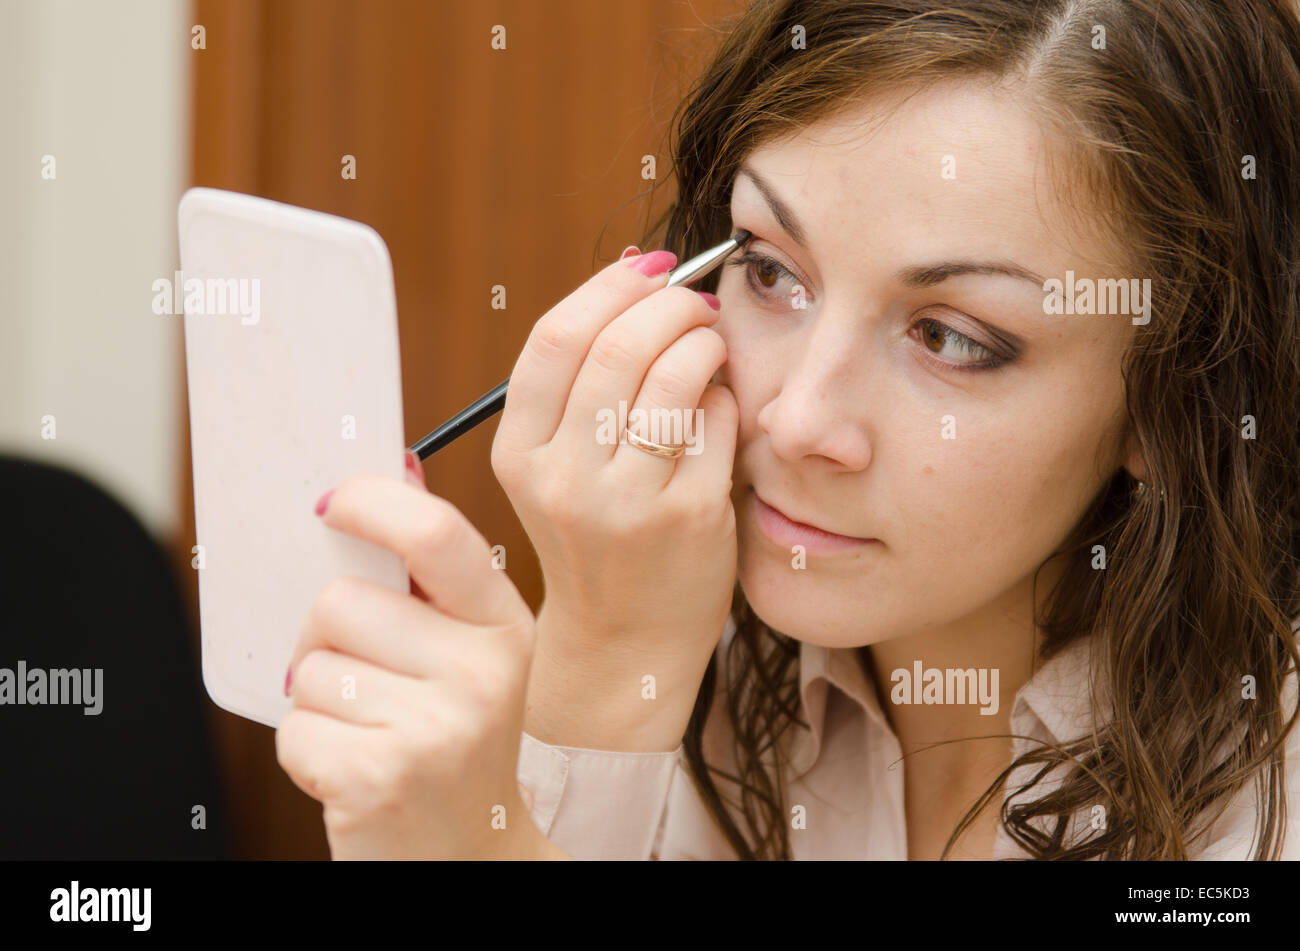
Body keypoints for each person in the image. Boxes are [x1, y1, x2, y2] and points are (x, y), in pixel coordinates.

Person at [275, 0, 1300, 860]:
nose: (797, 418)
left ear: (1173, 403)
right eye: (768, 270)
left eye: (950, 337)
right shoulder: (670, 636)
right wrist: (604, 669)